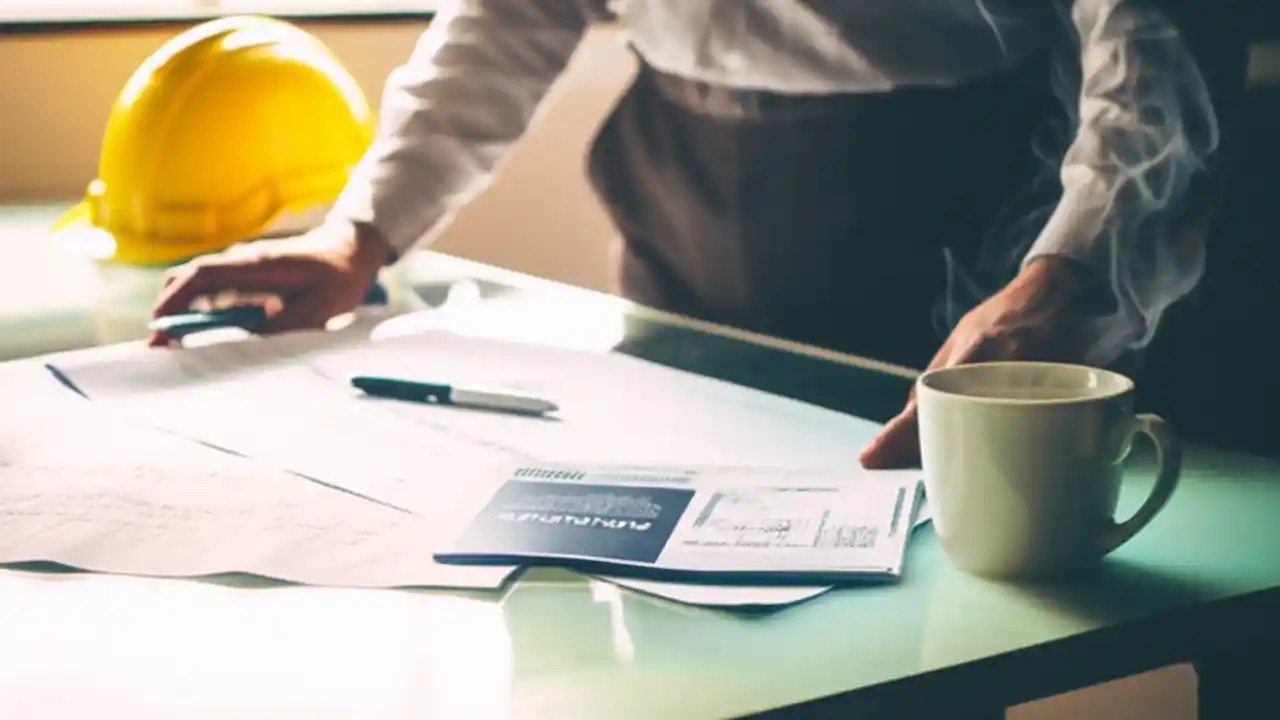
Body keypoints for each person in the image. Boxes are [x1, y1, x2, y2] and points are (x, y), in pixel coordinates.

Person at [147, 1, 1249, 470]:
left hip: (966, 222)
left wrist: (1073, 269)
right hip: (670, 219)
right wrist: (364, 233)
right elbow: (512, 15)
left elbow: (1159, 35)